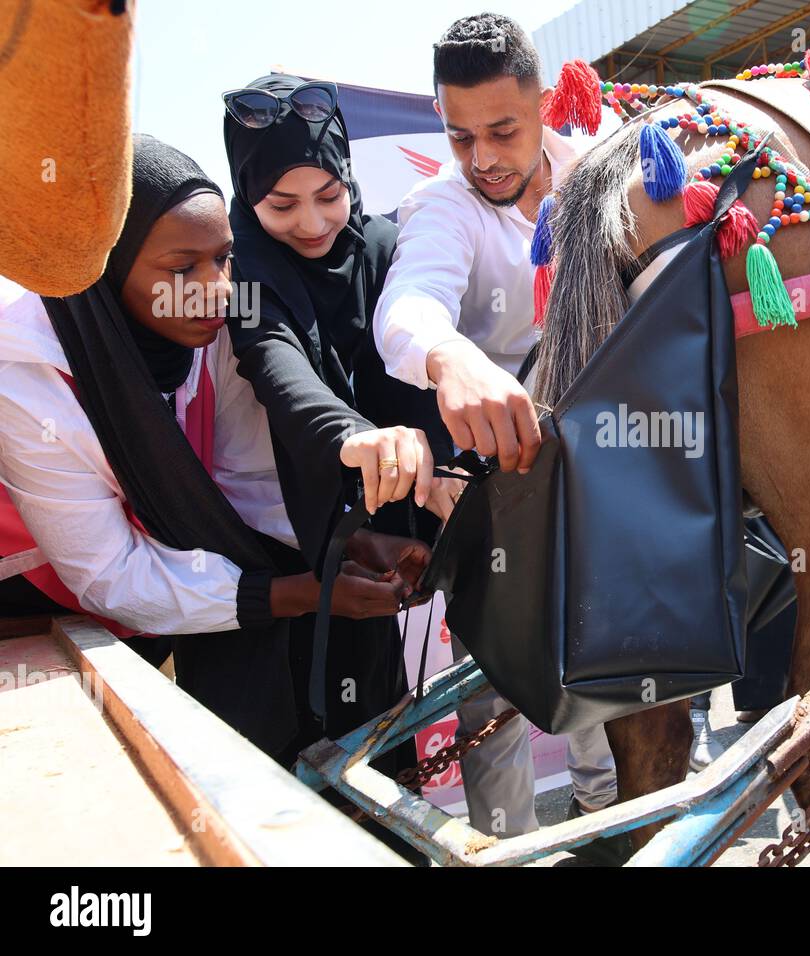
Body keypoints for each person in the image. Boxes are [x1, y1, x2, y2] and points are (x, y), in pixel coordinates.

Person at [0, 135, 415, 763]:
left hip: (144, 617)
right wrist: (297, 593)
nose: (215, 289)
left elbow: (246, 482)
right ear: (108, 267)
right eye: (180, 267)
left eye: (223, 259)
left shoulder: (205, 335)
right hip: (29, 626)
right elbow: (105, 575)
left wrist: (342, 546)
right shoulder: (29, 370)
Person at [373, 14, 622, 857]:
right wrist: (451, 358)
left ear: (546, 105)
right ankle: (509, 849)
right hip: (490, 483)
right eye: (459, 135)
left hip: (599, 480)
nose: (482, 157)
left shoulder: (601, 170)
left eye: (504, 130)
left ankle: (610, 822)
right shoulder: (441, 208)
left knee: (604, 667)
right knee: (498, 684)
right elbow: (408, 307)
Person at [222, 76, 460, 777]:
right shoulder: (239, 269)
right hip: (268, 550)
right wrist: (356, 439)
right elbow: (276, 366)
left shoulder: (385, 246)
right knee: (278, 761)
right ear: (245, 196)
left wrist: (439, 468)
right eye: (280, 204)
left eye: (330, 196)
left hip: (377, 547)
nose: (312, 223)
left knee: (378, 741)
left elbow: (414, 358)